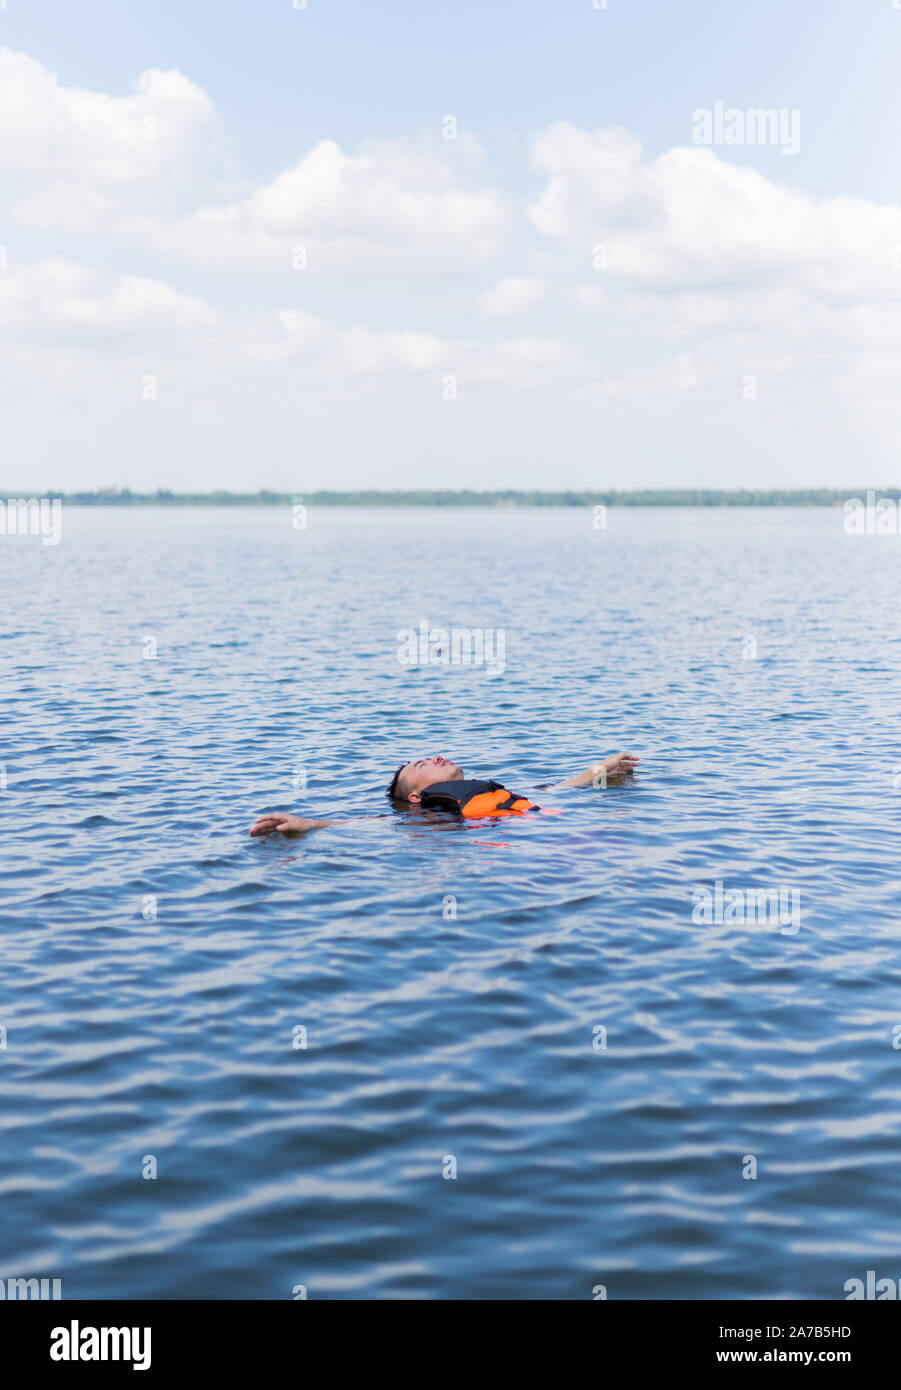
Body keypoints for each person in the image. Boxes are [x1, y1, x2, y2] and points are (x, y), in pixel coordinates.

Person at [249, 750, 639, 837]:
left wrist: (600, 771)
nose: (436, 757)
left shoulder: (488, 790)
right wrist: (308, 824)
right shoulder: (428, 815)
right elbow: (367, 823)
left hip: (562, 832)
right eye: (423, 764)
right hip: (545, 852)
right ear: (415, 797)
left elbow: (557, 791)